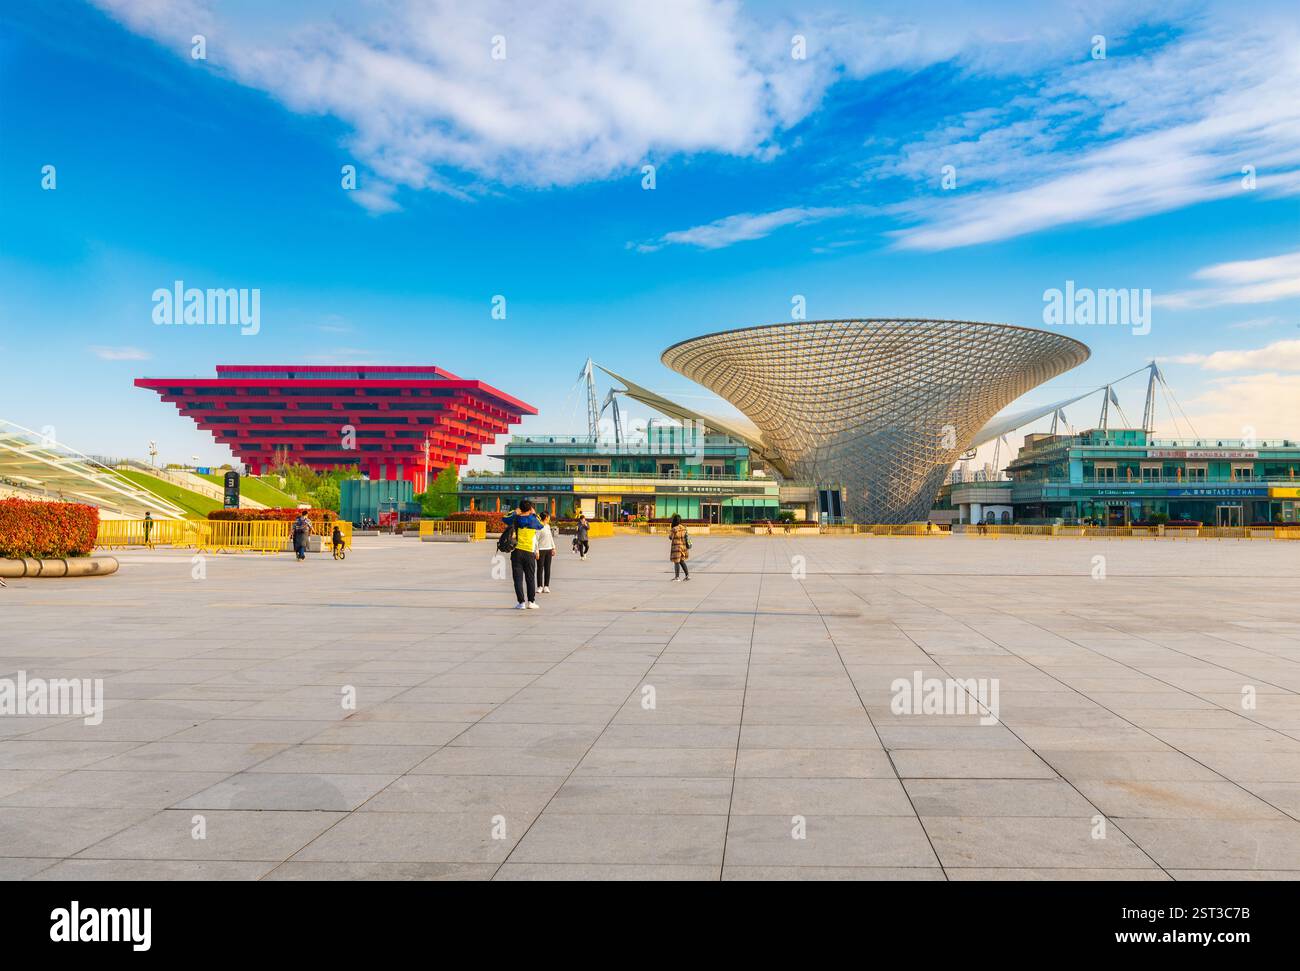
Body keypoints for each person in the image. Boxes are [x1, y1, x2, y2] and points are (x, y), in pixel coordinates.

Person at [503, 499, 544, 609]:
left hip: (517, 552)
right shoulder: (533, 520)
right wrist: (534, 514)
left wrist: (515, 512)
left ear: (520, 508)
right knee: (530, 578)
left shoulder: (516, 518)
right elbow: (541, 525)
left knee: (518, 579)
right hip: (529, 553)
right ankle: (531, 601)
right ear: (530, 508)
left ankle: (521, 602)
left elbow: (505, 518)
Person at [535, 510, 556, 593]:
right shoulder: (538, 527)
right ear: (546, 517)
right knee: (540, 568)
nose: (549, 517)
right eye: (549, 516)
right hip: (540, 550)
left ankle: (546, 586)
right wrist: (536, 551)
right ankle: (539, 586)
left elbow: (550, 538)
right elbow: (535, 540)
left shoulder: (547, 526)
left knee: (547, 568)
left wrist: (553, 547)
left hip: (548, 549)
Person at [669, 512, 690, 581]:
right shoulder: (684, 528)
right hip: (683, 548)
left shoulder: (674, 529)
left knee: (676, 562)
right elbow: (687, 537)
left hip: (677, 548)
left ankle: (677, 577)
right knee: (682, 561)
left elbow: (670, 537)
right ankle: (687, 576)